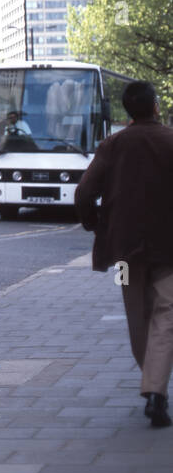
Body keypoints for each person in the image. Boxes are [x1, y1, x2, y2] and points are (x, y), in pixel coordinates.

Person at [76, 81, 173, 428]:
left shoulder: (113, 145)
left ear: (128, 110)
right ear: (156, 107)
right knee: (166, 314)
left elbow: (85, 191)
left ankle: (153, 387)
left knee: (137, 316)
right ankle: (156, 392)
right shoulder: (169, 140)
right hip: (167, 248)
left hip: (124, 251)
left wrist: (93, 222)